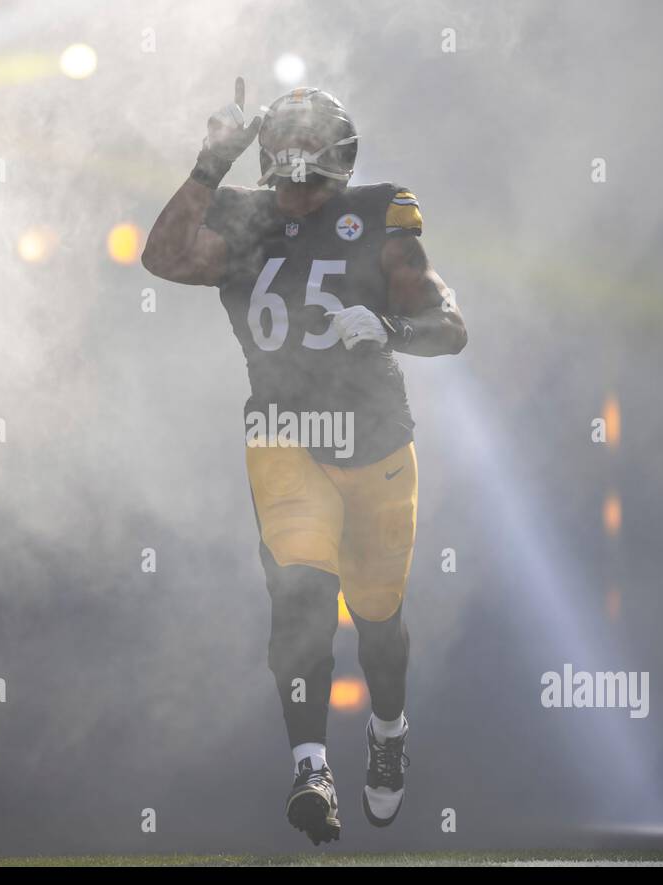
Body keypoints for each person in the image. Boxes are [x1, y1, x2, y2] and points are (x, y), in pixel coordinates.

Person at [142, 80, 467, 843]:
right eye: (284, 176)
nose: (294, 194)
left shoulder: (379, 215)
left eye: (309, 178)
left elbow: (449, 325)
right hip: (283, 437)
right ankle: (311, 766)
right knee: (302, 602)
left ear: (338, 171)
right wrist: (207, 164)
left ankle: (387, 732)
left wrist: (388, 326)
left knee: (379, 619)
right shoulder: (243, 213)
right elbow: (161, 257)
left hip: (377, 443)